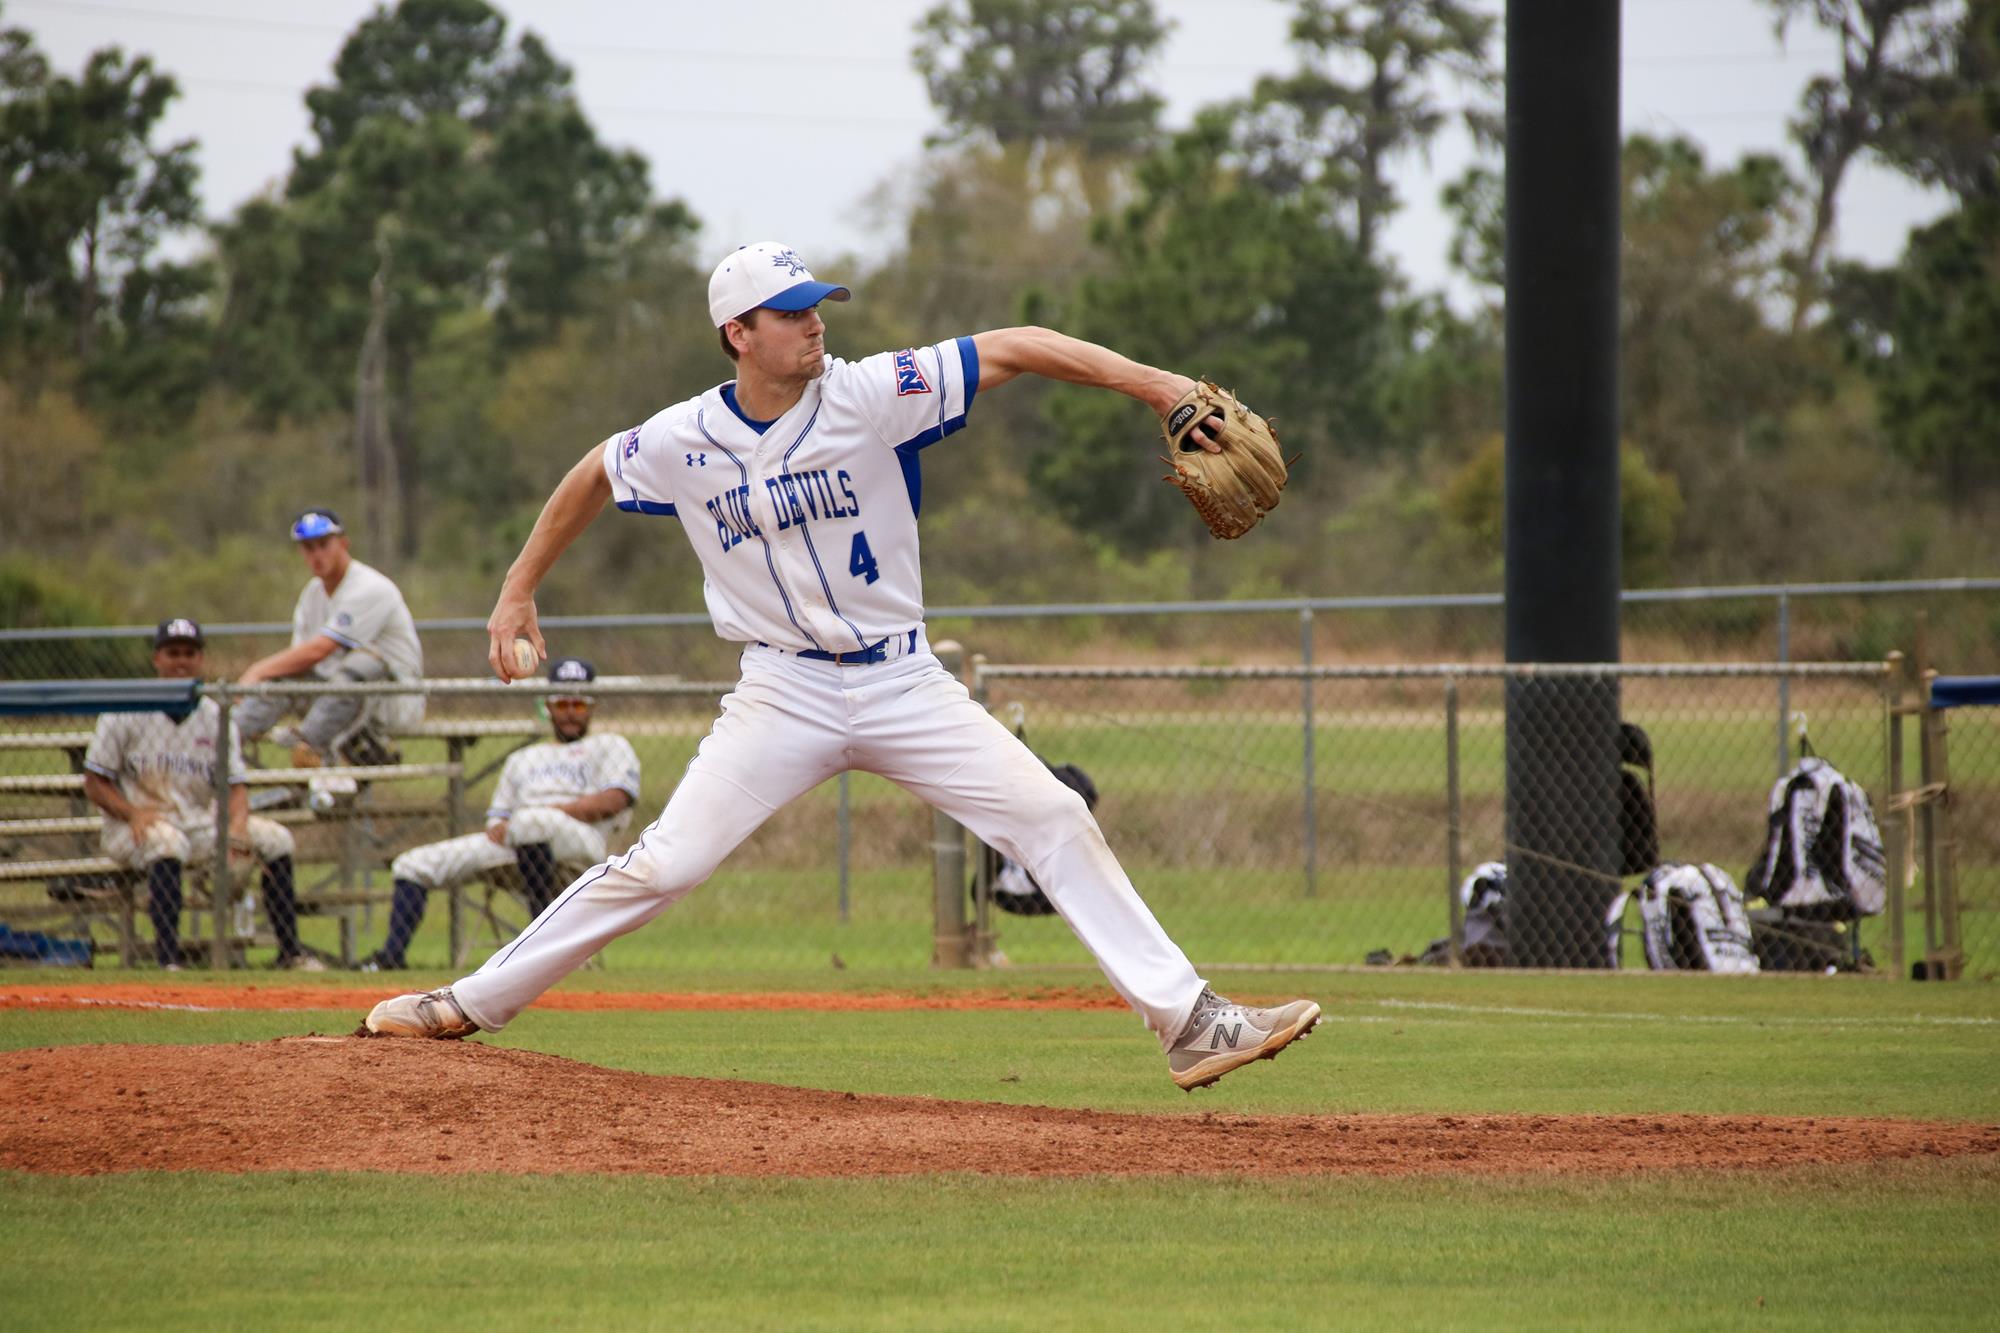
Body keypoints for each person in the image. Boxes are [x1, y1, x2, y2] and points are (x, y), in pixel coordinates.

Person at [365, 241, 1319, 1092]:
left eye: (817, 303)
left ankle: (1192, 1023)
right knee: (664, 863)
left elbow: (1019, 345)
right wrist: (517, 588)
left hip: (904, 680)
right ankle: (466, 1002)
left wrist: (1159, 386)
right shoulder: (684, 438)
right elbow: (594, 472)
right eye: (790, 311)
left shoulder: (870, 393)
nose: (814, 321)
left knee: (1053, 815)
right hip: (781, 690)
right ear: (738, 333)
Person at [357, 658, 640, 971]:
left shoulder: (610, 745)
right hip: (516, 841)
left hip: (579, 839)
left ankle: (543, 944)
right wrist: (506, 826)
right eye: (562, 704)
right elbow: (497, 821)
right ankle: (391, 957)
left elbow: (614, 800)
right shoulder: (524, 757)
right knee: (412, 864)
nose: (570, 712)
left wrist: (545, 813)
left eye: (578, 704)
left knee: (532, 822)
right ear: (547, 706)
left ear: (592, 707)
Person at [82, 618, 324, 971]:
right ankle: (169, 960)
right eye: (173, 653)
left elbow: (235, 785)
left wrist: (237, 828)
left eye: (189, 653)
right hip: (133, 826)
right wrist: (131, 812)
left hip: (198, 824)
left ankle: (291, 954)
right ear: (157, 658)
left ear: (200, 659)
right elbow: (95, 782)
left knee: (277, 840)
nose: (181, 661)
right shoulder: (126, 710)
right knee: (167, 844)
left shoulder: (213, 715)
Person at [235, 509, 424, 767]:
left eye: (324, 544)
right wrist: (256, 690)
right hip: (333, 700)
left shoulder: (370, 587)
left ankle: (311, 746)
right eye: (308, 547)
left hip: (391, 701)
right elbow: (299, 662)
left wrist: (257, 671)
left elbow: (319, 650)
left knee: (365, 662)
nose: (317, 554)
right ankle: (226, 740)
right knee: (285, 677)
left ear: (343, 543)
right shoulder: (312, 594)